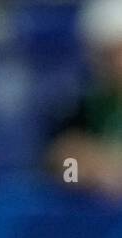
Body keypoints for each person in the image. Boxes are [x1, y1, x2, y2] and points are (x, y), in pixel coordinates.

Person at [46, 0, 122, 199]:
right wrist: (77, 171)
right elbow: (65, 174)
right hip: (101, 219)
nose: (117, 63)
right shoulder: (84, 105)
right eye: (109, 54)